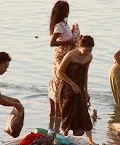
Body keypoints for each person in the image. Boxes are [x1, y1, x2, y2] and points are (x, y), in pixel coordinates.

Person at [57, 35, 98, 145]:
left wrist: (86, 91)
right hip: (67, 86)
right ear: (80, 46)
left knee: (84, 112)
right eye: (86, 50)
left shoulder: (89, 57)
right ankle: (65, 137)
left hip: (80, 87)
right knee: (68, 112)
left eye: (90, 50)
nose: (88, 52)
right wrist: (73, 84)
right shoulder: (70, 55)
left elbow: (85, 74)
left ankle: (90, 140)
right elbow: (60, 72)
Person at [48, 0, 80, 133]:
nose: (69, 11)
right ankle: (56, 119)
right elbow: (52, 42)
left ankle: (55, 119)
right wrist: (70, 40)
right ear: (63, 11)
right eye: (67, 9)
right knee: (59, 80)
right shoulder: (59, 25)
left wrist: (73, 33)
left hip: (66, 55)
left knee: (59, 81)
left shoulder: (64, 24)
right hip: (61, 56)